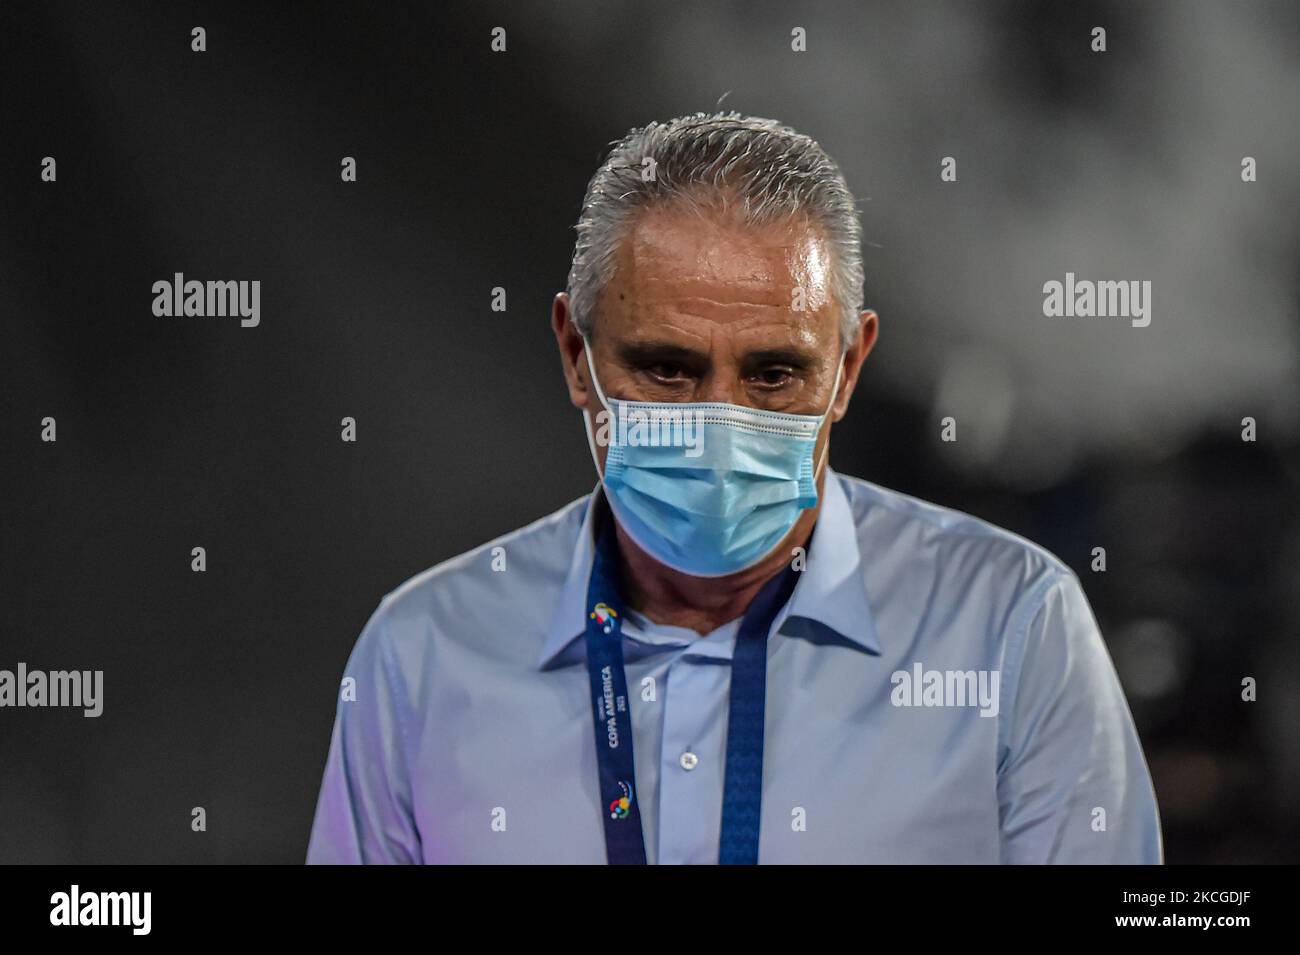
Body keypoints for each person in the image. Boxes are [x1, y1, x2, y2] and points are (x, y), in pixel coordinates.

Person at [306, 112, 1162, 864]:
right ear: (576, 353)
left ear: (849, 368)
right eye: (668, 368)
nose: (721, 422)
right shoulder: (422, 654)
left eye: (775, 372)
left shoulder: (1013, 630)